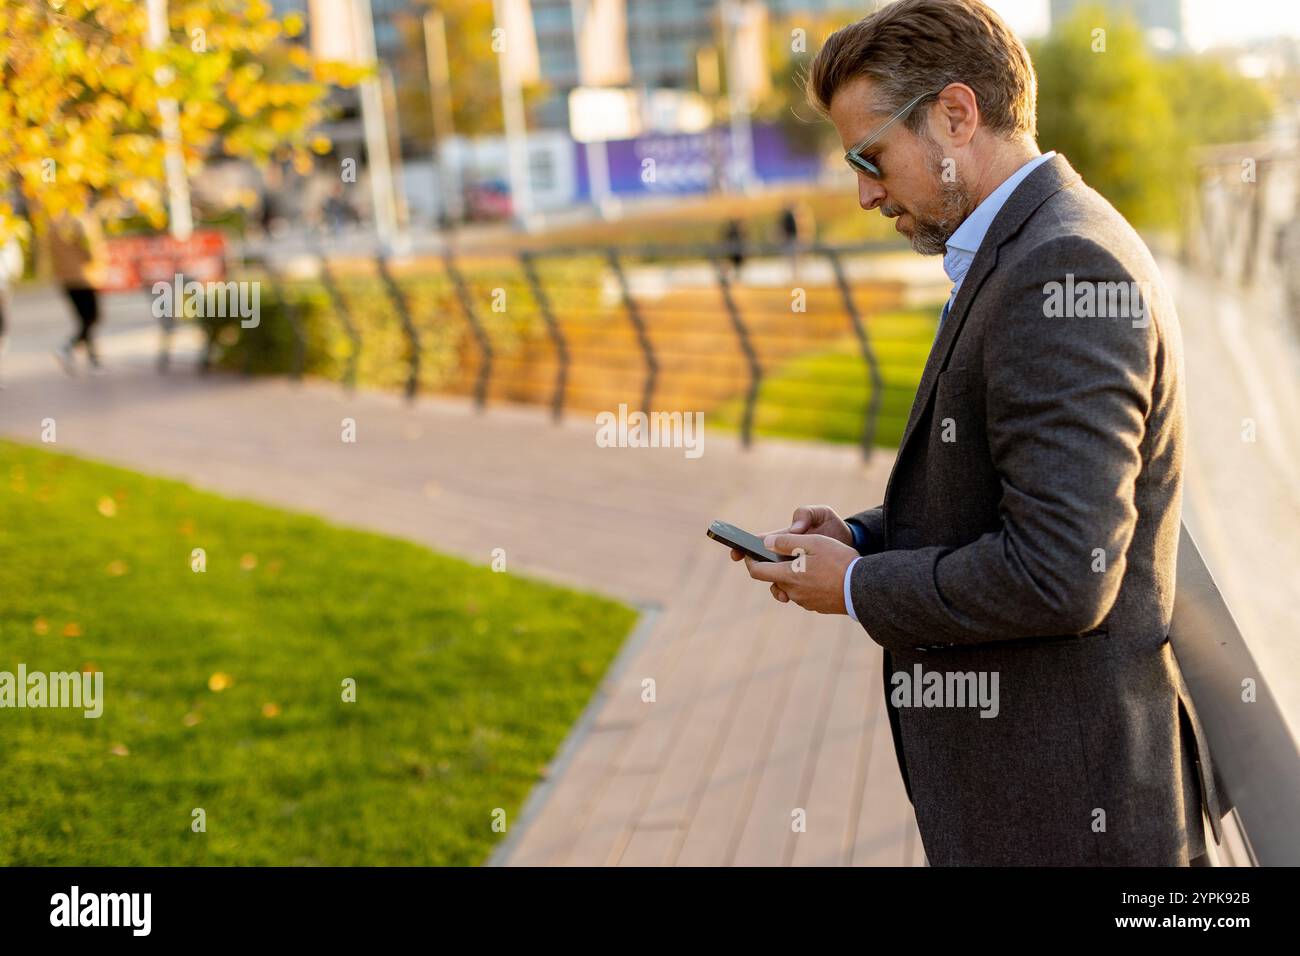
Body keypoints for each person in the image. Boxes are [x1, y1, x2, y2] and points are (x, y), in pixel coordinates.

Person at [731, 0, 1225, 866]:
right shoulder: (1028, 247)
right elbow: (1011, 494)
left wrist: (858, 588)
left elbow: (1066, 573)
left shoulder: (1060, 266)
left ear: (956, 115)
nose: (864, 192)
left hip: (1072, 816)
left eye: (869, 156)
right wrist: (857, 538)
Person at [46, 209, 108, 374]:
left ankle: (94, 360)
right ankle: (68, 348)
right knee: (92, 319)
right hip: (84, 277)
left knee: (84, 320)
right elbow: (90, 253)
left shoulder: (53, 223)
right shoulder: (81, 222)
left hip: (65, 278)